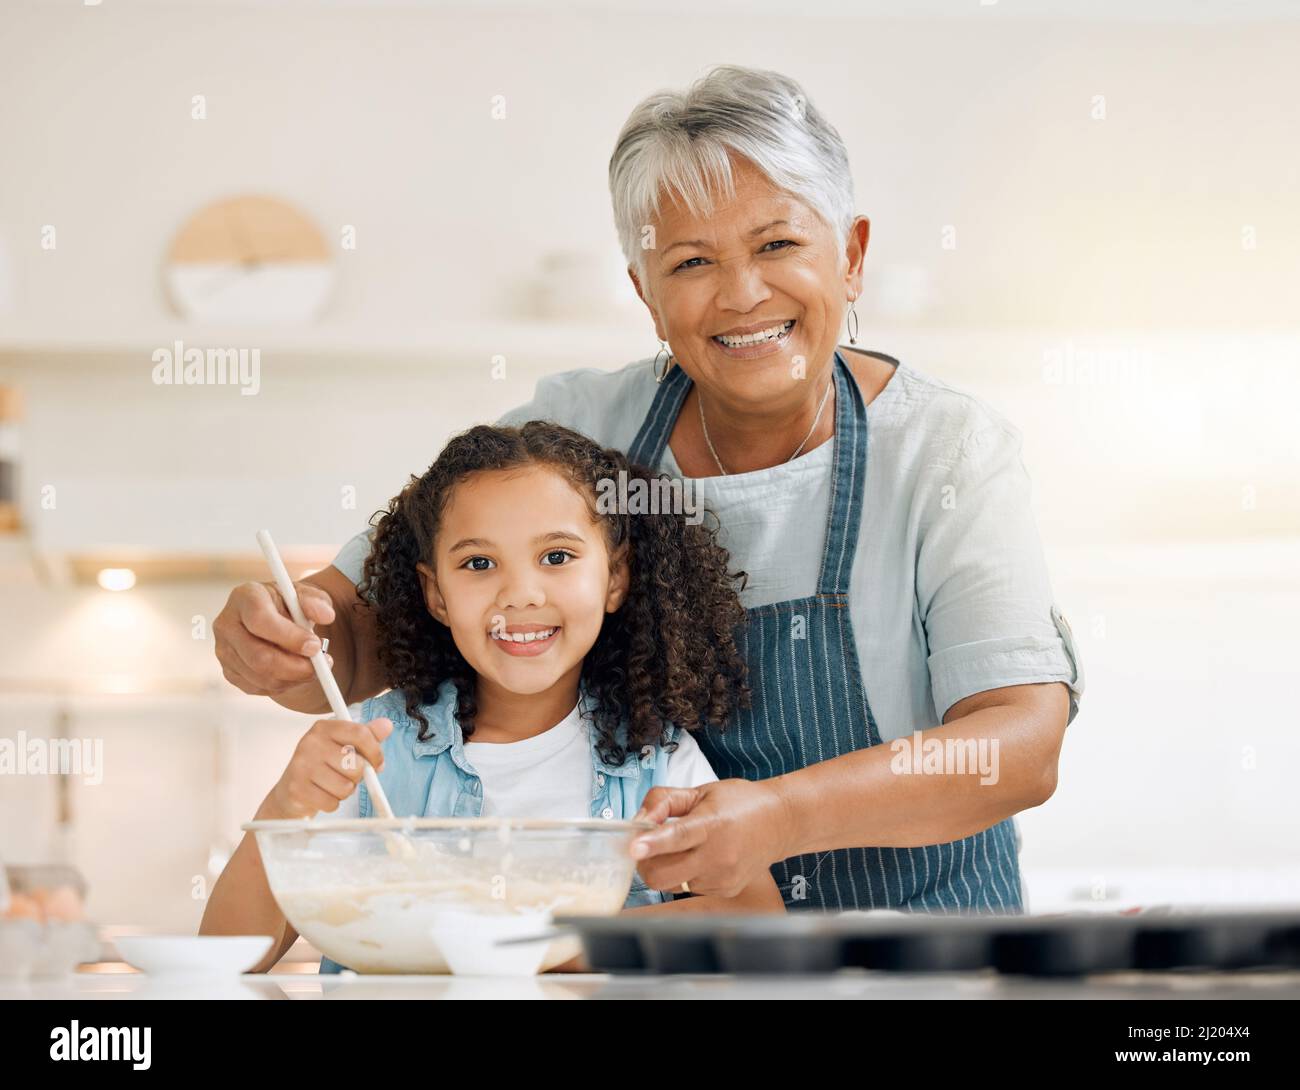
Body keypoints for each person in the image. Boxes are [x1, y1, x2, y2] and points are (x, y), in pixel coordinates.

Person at [214, 64, 1084, 915]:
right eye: (691, 262)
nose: (743, 295)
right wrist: (280, 640)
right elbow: (358, 638)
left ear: (851, 256)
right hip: (695, 970)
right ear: (644, 292)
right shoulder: (580, 431)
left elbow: (1018, 746)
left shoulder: (948, 453)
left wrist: (782, 818)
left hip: (921, 957)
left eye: (778, 244)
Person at [201, 421, 784, 973]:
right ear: (437, 595)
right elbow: (232, 956)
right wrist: (287, 806)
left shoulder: (654, 758)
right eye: (479, 563)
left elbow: (751, 922)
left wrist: (537, 946)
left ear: (614, 578)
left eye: (557, 557)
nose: (521, 594)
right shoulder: (372, 751)